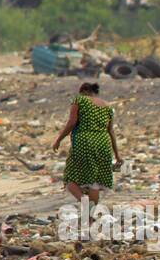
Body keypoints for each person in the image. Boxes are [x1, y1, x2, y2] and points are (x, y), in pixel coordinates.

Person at [52, 82, 121, 221]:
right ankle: (90, 217)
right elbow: (111, 131)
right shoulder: (107, 106)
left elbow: (71, 122)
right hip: (103, 144)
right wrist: (117, 154)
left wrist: (59, 139)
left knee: (71, 177)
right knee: (95, 181)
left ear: (84, 91)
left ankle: (85, 203)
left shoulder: (80, 100)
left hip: (84, 142)